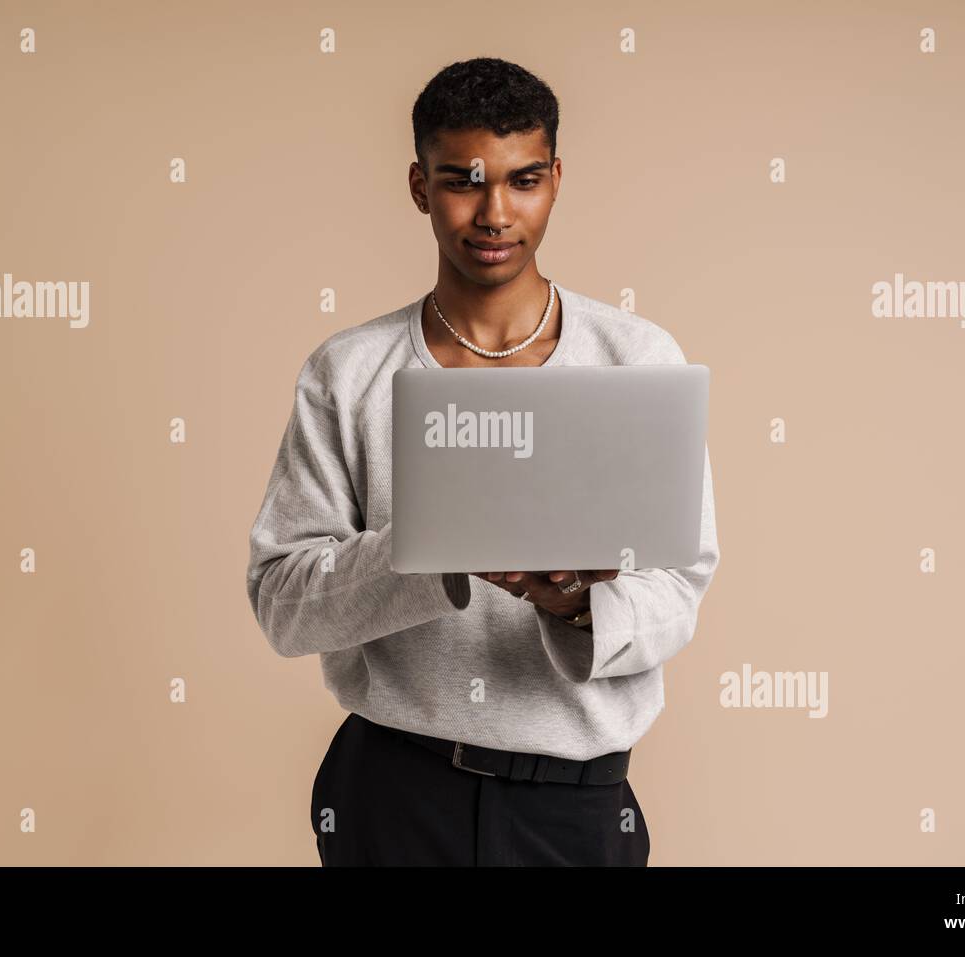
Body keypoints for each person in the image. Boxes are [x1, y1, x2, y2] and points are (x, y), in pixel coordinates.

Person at [246, 56, 720, 866]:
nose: (495, 212)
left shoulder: (636, 357)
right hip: (393, 794)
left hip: (577, 804)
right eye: (464, 180)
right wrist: (432, 546)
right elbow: (284, 604)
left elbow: (680, 586)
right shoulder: (348, 371)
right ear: (419, 185)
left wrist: (571, 601)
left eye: (523, 179)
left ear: (557, 179)